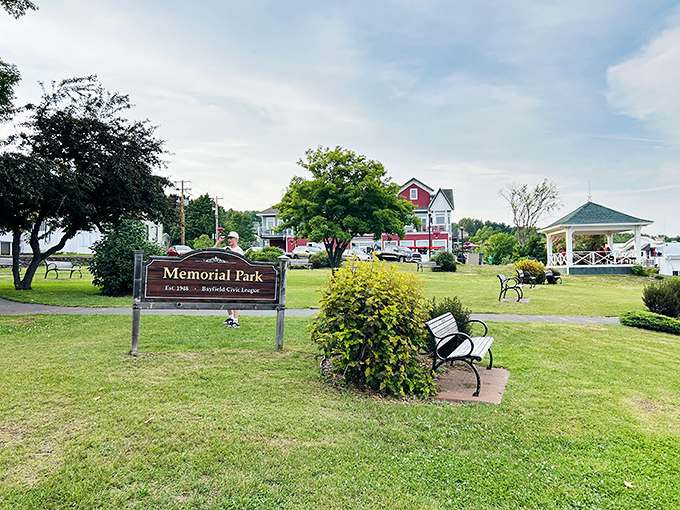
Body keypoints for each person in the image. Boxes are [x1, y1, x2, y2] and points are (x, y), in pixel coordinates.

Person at [214, 231, 244, 328]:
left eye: (231, 238)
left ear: (236, 239)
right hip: (225, 277)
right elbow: (213, 251)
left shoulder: (239, 251)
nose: (229, 240)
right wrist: (219, 242)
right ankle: (230, 317)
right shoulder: (226, 249)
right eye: (229, 238)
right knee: (225, 297)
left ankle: (236, 320)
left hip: (234, 277)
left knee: (235, 298)